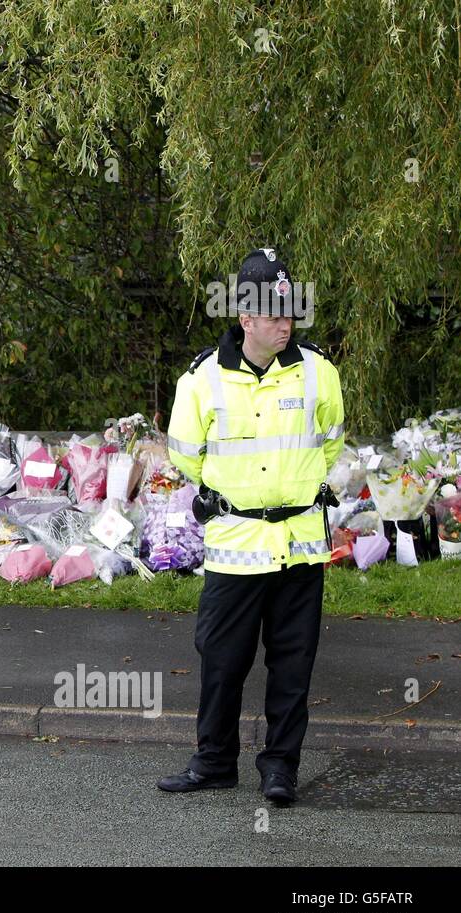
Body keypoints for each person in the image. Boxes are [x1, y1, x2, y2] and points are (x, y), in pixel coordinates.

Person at [158, 248, 345, 805]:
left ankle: (280, 768)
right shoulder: (201, 380)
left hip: (300, 545)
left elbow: (329, 443)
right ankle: (214, 762)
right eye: (272, 314)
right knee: (222, 660)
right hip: (236, 546)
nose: (285, 323)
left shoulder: (319, 373)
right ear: (244, 317)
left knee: (293, 664)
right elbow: (186, 456)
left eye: (290, 313)